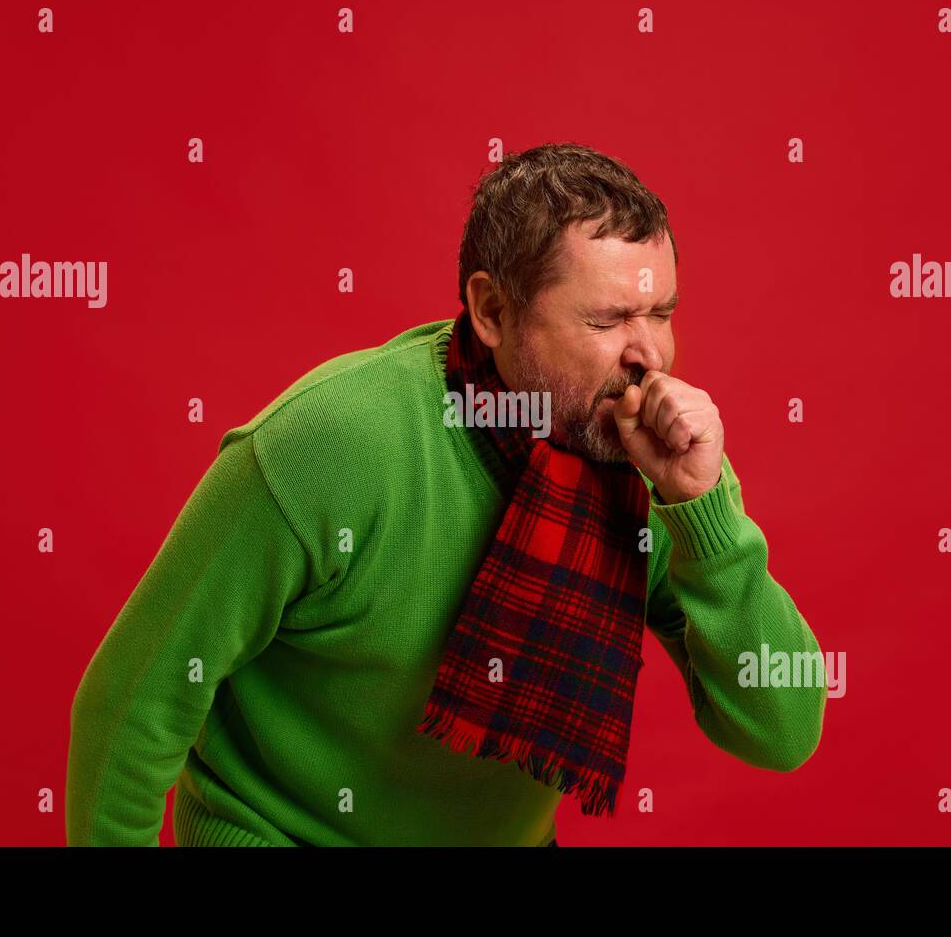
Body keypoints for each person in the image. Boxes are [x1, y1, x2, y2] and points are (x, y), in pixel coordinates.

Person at [65, 142, 826, 847]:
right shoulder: (331, 441)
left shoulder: (648, 462)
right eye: (607, 318)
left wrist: (704, 510)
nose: (648, 353)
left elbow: (781, 731)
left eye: (660, 312)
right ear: (492, 311)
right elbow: (132, 701)